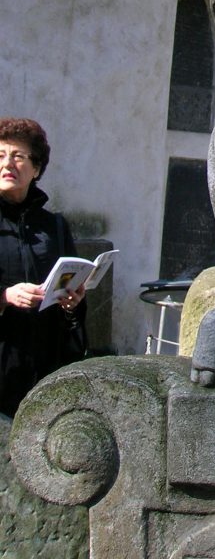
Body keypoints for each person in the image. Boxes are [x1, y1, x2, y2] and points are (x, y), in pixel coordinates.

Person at [0, 117, 86, 418]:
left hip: (44, 365)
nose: (7, 164)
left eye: (18, 156)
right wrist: (5, 296)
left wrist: (72, 303)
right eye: (0, 156)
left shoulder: (54, 227)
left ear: (36, 169)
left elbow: (71, 294)